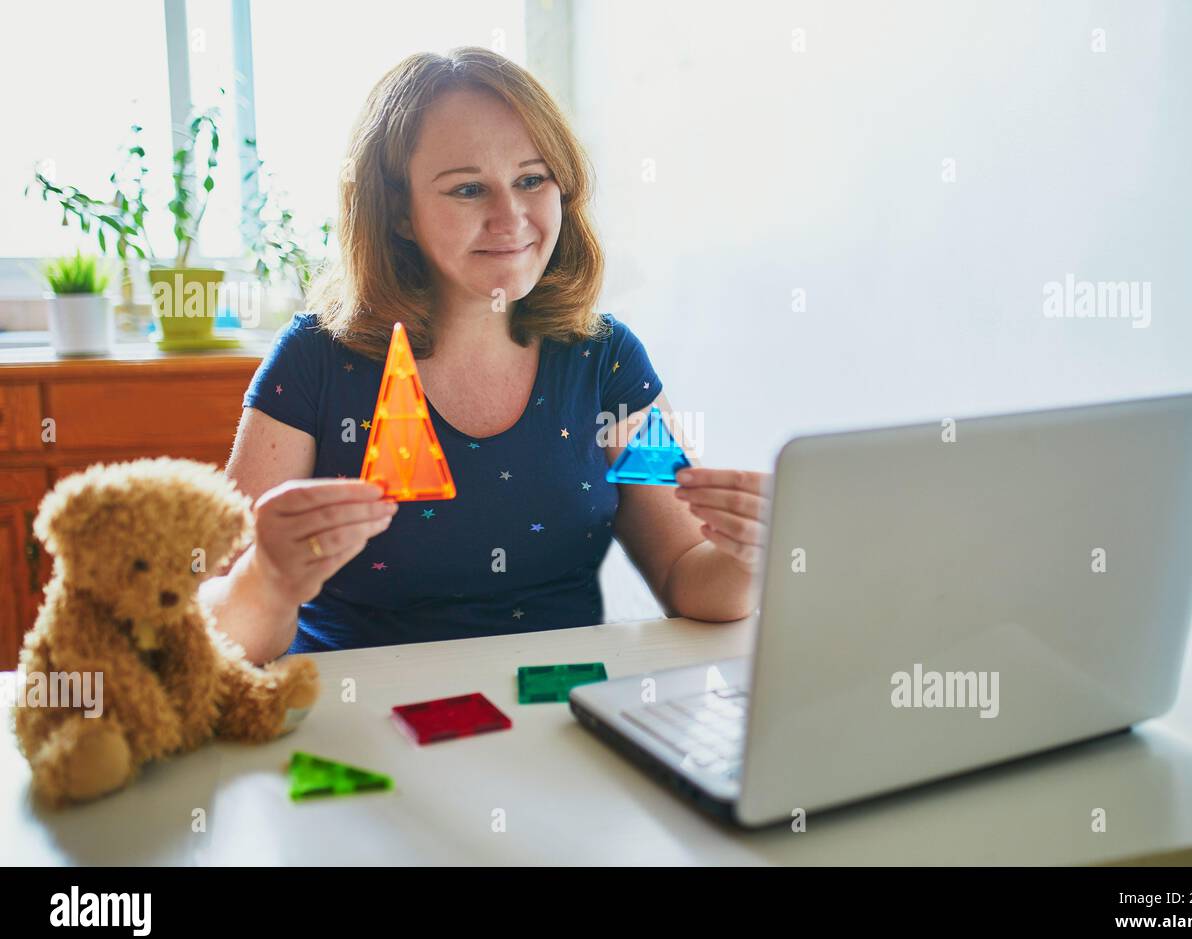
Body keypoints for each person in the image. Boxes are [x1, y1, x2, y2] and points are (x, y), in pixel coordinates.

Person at [199, 48, 771, 664]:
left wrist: (747, 557)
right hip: (360, 722)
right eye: (468, 189)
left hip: (554, 714)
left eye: (532, 179)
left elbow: (689, 573)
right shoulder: (314, 359)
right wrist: (269, 576)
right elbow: (220, 639)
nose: (512, 217)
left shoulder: (609, 362)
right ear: (398, 214)